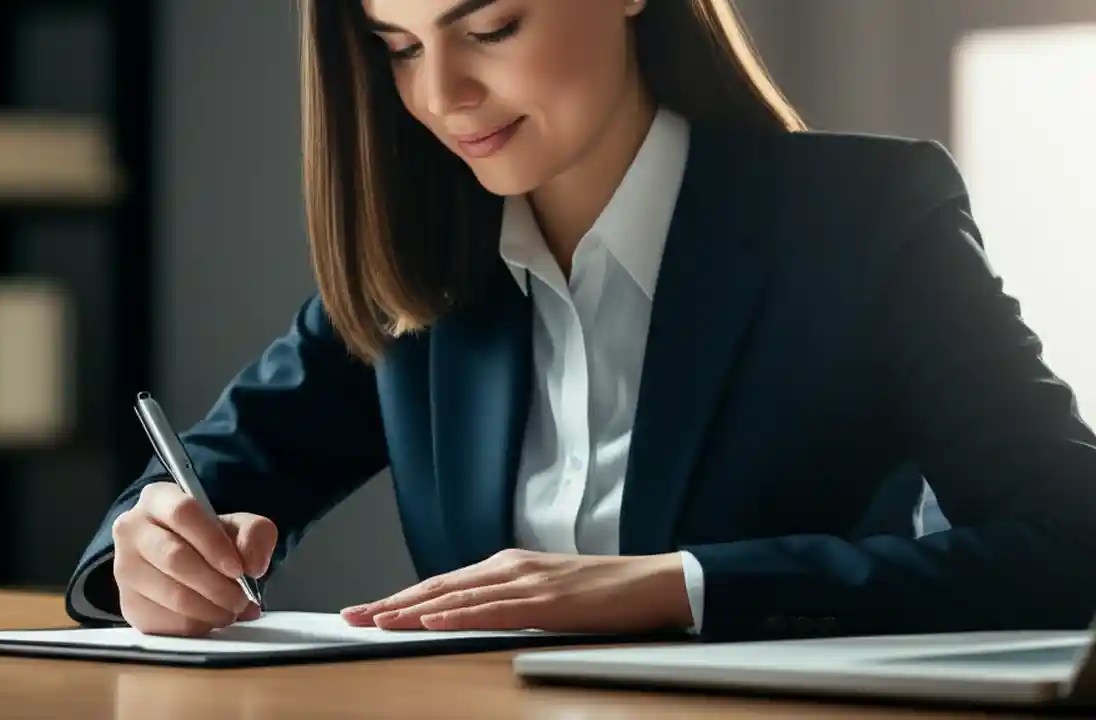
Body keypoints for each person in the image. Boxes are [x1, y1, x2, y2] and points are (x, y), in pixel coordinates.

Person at [65, 0, 1096, 641]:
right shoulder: (418, 267)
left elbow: (1068, 542)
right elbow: (191, 491)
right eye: (396, 46)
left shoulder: (860, 217)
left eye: (489, 29)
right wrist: (146, 557)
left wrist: (675, 587)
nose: (441, 96)